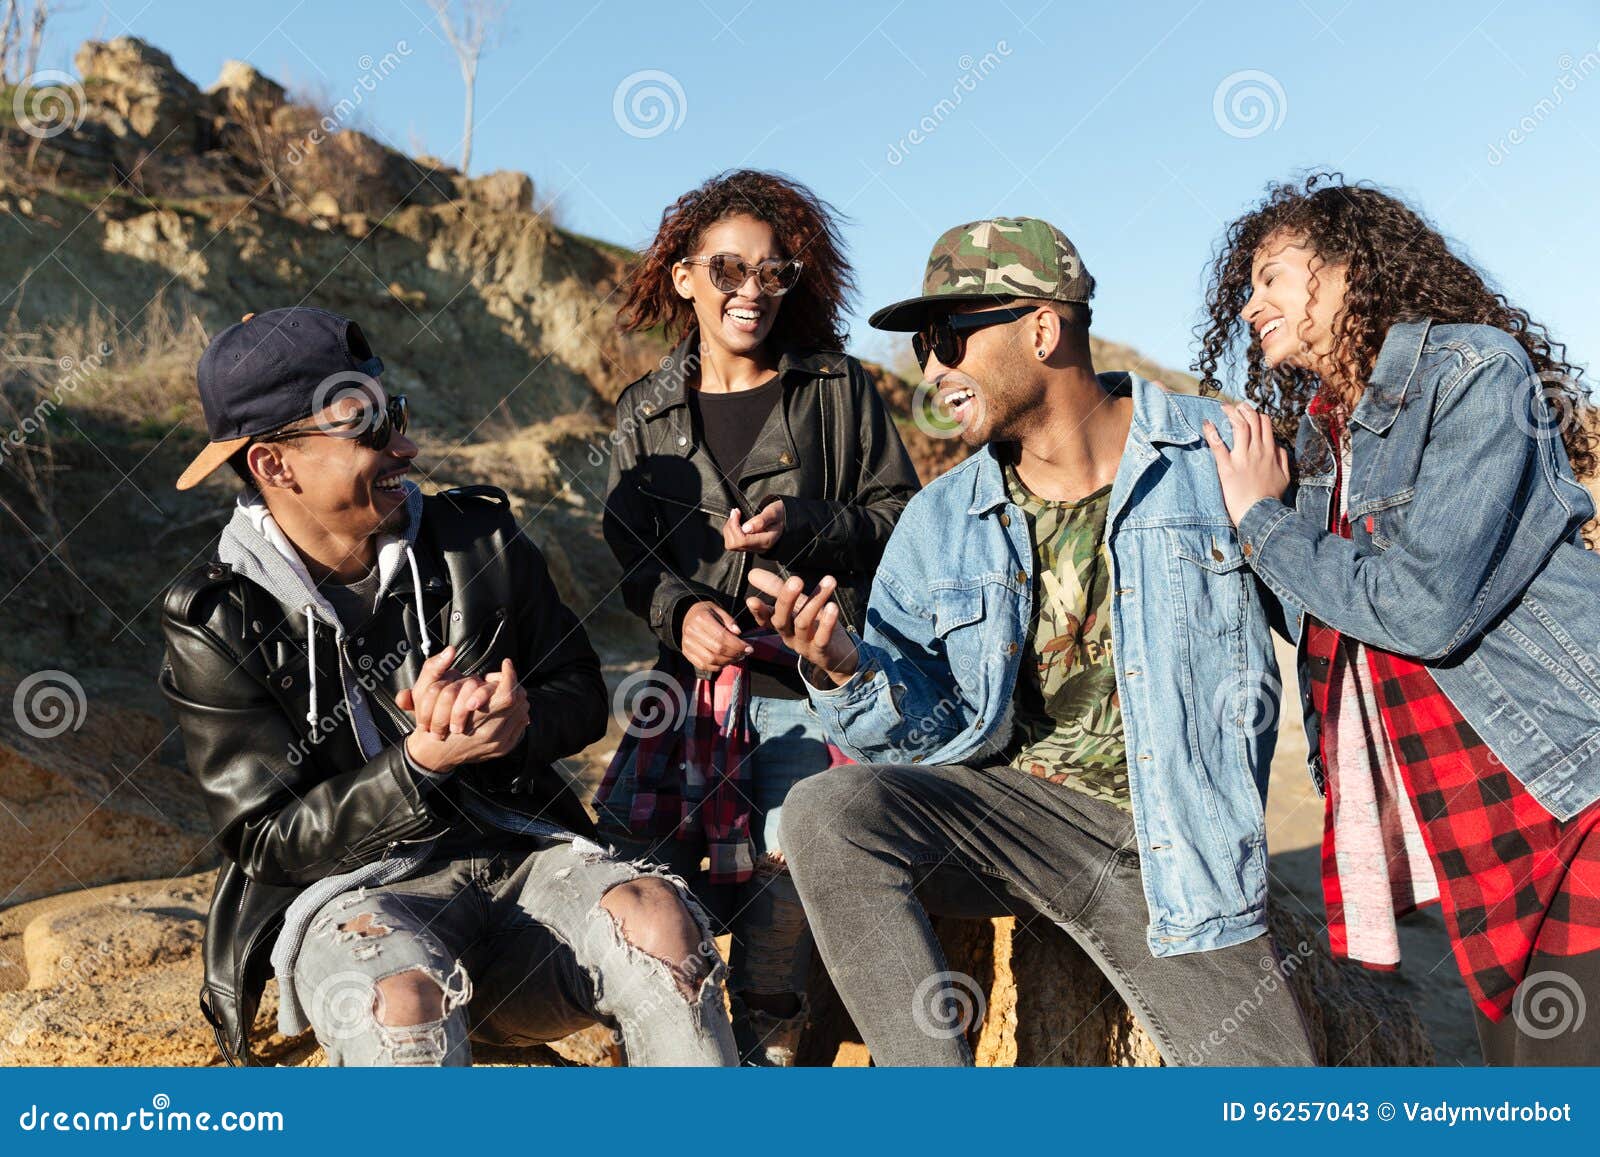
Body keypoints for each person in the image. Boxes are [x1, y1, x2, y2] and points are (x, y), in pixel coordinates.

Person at [748, 217, 1317, 1066]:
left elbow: (1336, 636)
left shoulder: (1220, 453)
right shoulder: (939, 521)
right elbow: (921, 735)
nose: (933, 369)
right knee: (824, 809)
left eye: (948, 338)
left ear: (1043, 328)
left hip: (1177, 848)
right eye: (922, 347)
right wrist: (843, 669)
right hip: (1007, 827)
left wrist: (1269, 519)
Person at [160, 306, 737, 1066]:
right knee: (400, 1001)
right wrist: (419, 765)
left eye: (393, 411)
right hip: (354, 894)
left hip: (518, 854)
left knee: (662, 924)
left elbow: (581, 691)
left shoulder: (478, 539)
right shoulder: (215, 618)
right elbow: (267, 837)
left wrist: (516, 724)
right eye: (366, 427)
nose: (407, 445)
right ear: (274, 465)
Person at [1195, 173, 1600, 1066]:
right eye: (1248, 284)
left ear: (1350, 269)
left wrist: (1262, 522)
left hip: (1570, 788)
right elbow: (1317, 610)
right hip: (1476, 833)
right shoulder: (1316, 446)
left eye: (1273, 276)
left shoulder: (1471, 370)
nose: (1253, 302)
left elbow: (1422, 607)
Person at [596, 169, 920, 1064]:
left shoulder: (837, 389)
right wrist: (680, 610)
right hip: (681, 699)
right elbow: (634, 557)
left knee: (785, 911)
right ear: (684, 276)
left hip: (808, 692)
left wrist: (809, 529)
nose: (750, 291)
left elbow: (902, 520)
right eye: (728, 269)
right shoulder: (643, 410)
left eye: (772, 272)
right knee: (647, 902)